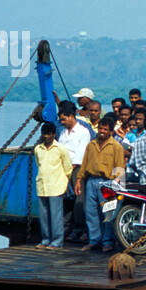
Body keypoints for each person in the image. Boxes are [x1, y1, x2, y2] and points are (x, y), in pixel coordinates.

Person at [74, 113, 127, 252]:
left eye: (105, 129)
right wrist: (79, 180)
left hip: (108, 182)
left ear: (110, 131)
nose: (102, 132)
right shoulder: (91, 145)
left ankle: (108, 242)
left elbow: (120, 167)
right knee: (91, 213)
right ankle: (94, 240)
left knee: (108, 214)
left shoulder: (116, 146)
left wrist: (116, 183)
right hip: (91, 181)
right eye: (100, 129)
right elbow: (84, 163)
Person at [55, 101, 92, 242]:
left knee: (79, 200)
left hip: (77, 169)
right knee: (66, 199)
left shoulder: (83, 132)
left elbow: (80, 155)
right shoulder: (63, 133)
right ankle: (66, 228)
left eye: (64, 119)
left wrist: (74, 174)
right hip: (63, 169)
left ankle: (80, 229)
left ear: (71, 116)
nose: (62, 122)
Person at [34, 121, 72, 249]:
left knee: (56, 216)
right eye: (44, 134)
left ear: (54, 134)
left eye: (48, 134)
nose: (46, 136)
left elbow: (68, 168)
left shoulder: (60, 149)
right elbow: (39, 164)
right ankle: (45, 239)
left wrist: (65, 183)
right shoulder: (38, 149)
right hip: (42, 185)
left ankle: (57, 241)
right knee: (44, 216)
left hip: (56, 185)